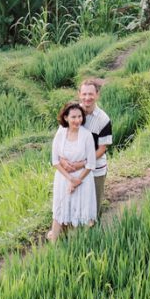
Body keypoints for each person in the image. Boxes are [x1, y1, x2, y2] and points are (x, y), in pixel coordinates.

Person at [60, 78, 112, 220]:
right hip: (72, 170)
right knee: (71, 206)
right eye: (84, 94)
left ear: (97, 95)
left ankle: (93, 236)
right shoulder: (72, 113)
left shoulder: (103, 119)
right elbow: (60, 140)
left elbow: (102, 150)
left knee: (93, 208)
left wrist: (81, 164)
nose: (87, 98)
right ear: (79, 94)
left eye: (91, 94)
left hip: (96, 170)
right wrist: (63, 161)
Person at [48, 101, 97, 241]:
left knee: (80, 210)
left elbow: (91, 163)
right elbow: (55, 161)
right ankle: (54, 241)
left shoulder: (87, 135)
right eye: (73, 117)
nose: (77, 120)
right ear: (66, 118)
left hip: (83, 179)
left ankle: (79, 242)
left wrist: (77, 181)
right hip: (63, 178)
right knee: (60, 209)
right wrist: (70, 179)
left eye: (80, 117)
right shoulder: (61, 134)